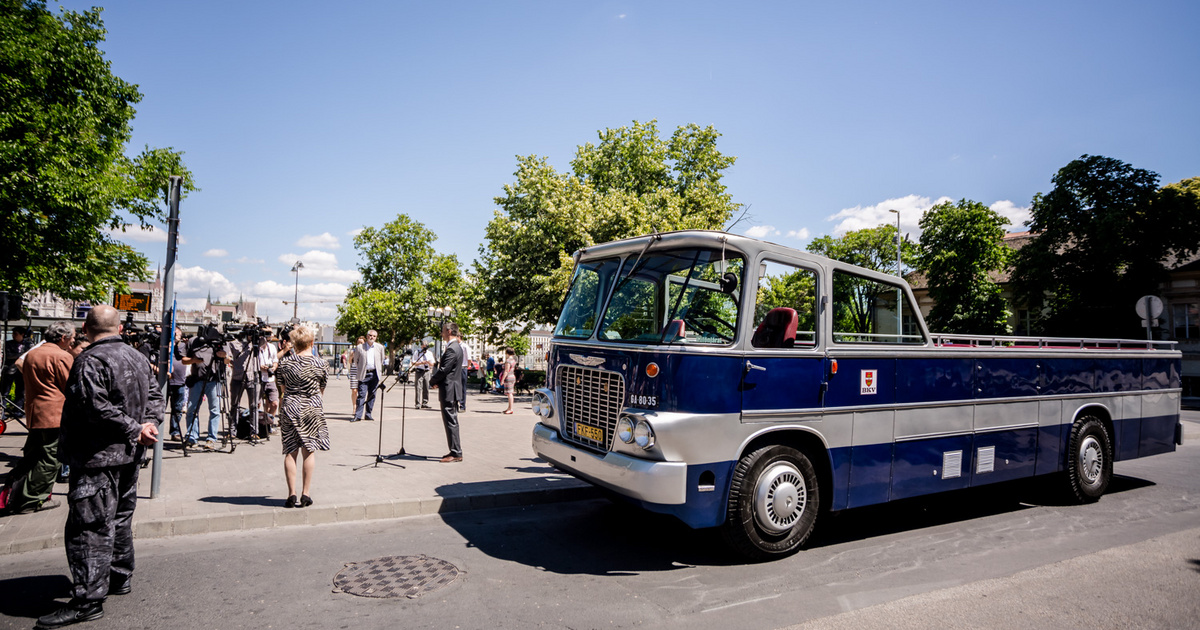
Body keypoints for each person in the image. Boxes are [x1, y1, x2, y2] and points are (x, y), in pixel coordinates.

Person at [35, 305, 162, 628]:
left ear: (85, 327)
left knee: (89, 526)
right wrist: (146, 425)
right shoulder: (136, 356)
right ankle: (119, 576)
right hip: (129, 454)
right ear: (119, 326)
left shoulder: (90, 360)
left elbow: (94, 407)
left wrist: (136, 428)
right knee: (119, 516)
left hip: (96, 457)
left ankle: (88, 599)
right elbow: (155, 398)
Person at [2, 321, 74, 515]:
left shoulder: (33, 353)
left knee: (33, 455)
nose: (73, 340)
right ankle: (32, 498)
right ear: (62, 337)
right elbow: (70, 387)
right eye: (71, 337)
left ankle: (19, 495)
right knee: (50, 458)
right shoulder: (61, 356)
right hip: (54, 415)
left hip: (35, 413)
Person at [275, 325, 328, 508]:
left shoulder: (285, 363)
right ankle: (306, 493)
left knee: (290, 451)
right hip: (311, 408)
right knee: (308, 451)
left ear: (294, 344)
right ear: (312, 343)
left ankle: (291, 494)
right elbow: (321, 390)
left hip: (290, 406)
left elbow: (282, 389)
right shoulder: (321, 364)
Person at [182, 324, 226, 449]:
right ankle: (192, 437)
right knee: (191, 410)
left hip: (213, 381)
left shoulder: (218, 341)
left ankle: (211, 439)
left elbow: (228, 359)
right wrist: (194, 361)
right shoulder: (192, 341)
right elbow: (183, 360)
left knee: (215, 410)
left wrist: (224, 356)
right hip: (196, 380)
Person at [429, 322, 464, 463]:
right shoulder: (456, 347)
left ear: (449, 331)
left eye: (443, 330)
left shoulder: (452, 349)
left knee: (451, 421)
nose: (441, 333)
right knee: (451, 420)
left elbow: (444, 370)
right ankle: (455, 450)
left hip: (449, 389)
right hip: (451, 388)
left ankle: (456, 452)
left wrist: (432, 381)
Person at [351, 330, 386, 422]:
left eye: (374, 336)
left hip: (375, 374)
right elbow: (356, 360)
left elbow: (381, 360)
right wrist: (362, 369)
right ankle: (358, 415)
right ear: (367, 336)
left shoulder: (380, 347)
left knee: (372, 395)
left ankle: (368, 414)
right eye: (370, 335)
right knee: (361, 394)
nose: (372, 337)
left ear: (376, 337)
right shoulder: (360, 347)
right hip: (364, 374)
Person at [2, 326, 33, 418]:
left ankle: (18, 410)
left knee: (20, 391)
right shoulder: (8, 344)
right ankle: (3, 411)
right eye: (13, 334)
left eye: (16, 334)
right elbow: (8, 355)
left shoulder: (28, 344)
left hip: (21, 371)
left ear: (22, 334)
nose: (13, 336)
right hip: (9, 370)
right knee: (5, 392)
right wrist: (22, 356)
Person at [166, 329, 188, 441]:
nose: (176, 335)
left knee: (177, 409)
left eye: (178, 333)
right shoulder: (165, 345)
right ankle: (156, 431)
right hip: (165, 381)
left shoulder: (184, 346)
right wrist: (171, 342)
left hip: (180, 382)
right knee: (160, 407)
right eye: (174, 333)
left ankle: (175, 432)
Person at [411, 343, 434, 409]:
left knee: (426, 387)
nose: (424, 348)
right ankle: (417, 403)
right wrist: (421, 363)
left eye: (425, 347)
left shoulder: (429, 353)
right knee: (418, 387)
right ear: (421, 346)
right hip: (419, 370)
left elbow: (432, 364)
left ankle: (425, 402)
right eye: (423, 347)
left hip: (427, 371)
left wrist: (428, 362)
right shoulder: (417, 352)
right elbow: (413, 362)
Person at [346, 336, 364, 409]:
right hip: (354, 371)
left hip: (362, 371)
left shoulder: (365, 351)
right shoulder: (353, 351)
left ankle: (359, 407)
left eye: (361, 342)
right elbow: (350, 362)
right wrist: (351, 356)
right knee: (354, 390)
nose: (359, 344)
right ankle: (354, 406)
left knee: (361, 391)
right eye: (358, 342)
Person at [501, 347, 517, 414]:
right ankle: (509, 408)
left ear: (507, 353)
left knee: (509, 393)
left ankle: (510, 409)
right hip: (512, 376)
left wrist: (502, 379)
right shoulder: (513, 360)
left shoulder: (508, 361)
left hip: (508, 377)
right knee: (510, 393)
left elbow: (506, 371)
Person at [459, 339, 472, 412]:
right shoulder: (454, 346)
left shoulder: (465, 346)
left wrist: (467, 367)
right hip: (456, 368)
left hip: (463, 368)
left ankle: (462, 405)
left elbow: (469, 359)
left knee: (462, 387)